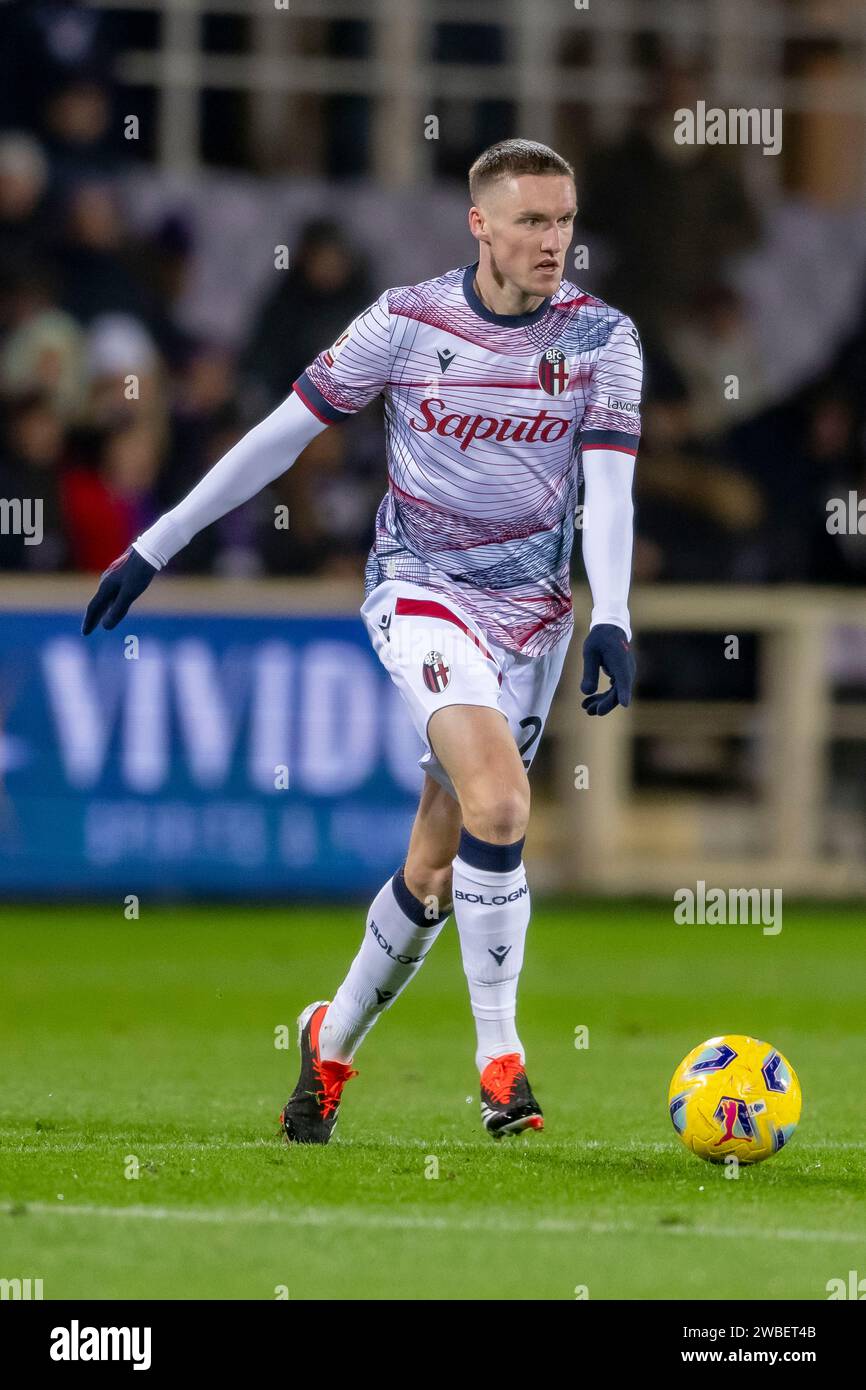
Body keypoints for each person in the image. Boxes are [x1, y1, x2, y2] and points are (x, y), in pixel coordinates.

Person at [81, 139, 642, 1142]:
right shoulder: (406, 320)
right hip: (419, 593)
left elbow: (608, 489)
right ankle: (499, 1064)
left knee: (434, 864)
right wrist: (156, 544)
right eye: (529, 220)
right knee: (504, 802)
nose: (552, 240)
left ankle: (328, 1045)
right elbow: (282, 432)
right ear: (480, 223)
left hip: (531, 615)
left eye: (562, 220)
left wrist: (611, 613)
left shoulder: (602, 341)